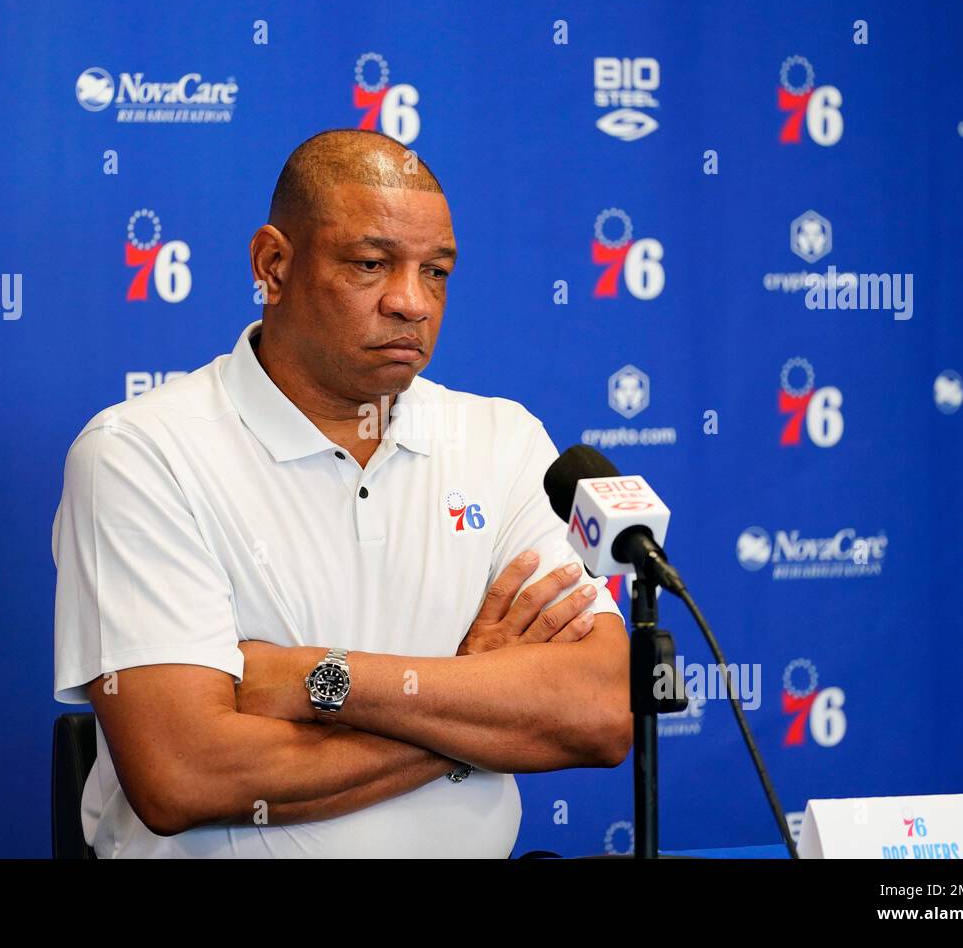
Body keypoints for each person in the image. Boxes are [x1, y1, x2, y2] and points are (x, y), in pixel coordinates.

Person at [52, 129, 631, 857]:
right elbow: (184, 775)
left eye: (436, 272)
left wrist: (316, 680)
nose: (412, 303)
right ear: (274, 265)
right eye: (371, 264)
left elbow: (602, 711)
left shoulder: (503, 439)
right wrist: (478, 701)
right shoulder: (140, 452)